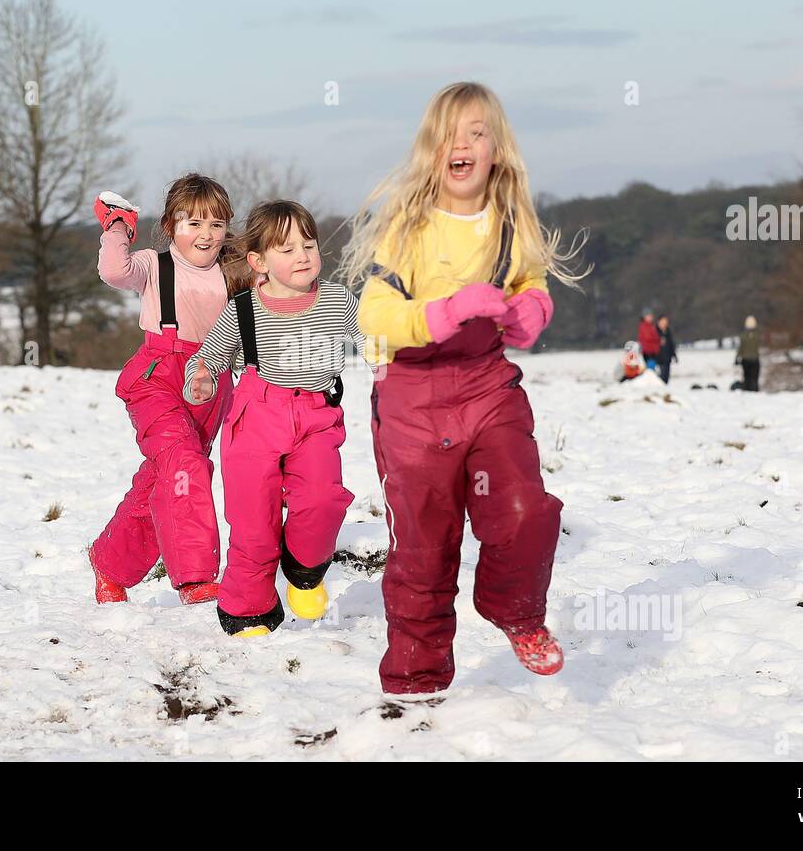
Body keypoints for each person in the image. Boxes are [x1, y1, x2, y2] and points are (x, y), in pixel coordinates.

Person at [339, 81, 579, 696]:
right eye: (451, 132)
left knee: (526, 508)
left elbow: (531, 282)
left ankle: (515, 610)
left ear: (497, 149)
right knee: (424, 552)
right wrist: (440, 313)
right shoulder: (406, 225)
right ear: (430, 146)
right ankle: (416, 685)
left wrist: (534, 311)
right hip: (410, 396)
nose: (463, 143)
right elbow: (372, 314)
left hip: (486, 386)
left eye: (477, 132)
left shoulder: (510, 222)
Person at [184, 200, 367, 637]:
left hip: (317, 415)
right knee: (253, 522)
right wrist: (203, 376)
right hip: (254, 416)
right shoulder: (243, 309)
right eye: (286, 249)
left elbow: (376, 344)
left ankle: (305, 569)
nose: (302, 255)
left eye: (308, 244)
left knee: (323, 499)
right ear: (259, 261)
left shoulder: (340, 301)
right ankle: (249, 609)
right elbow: (208, 355)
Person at [86, 175, 247, 606]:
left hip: (210, 385)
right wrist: (118, 227)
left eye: (216, 224)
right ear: (172, 224)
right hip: (158, 378)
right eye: (193, 223)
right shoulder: (154, 265)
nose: (205, 234)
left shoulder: (234, 273)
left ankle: (110, 564)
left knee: (167, 478)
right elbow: (113, 270)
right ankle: (196, 578)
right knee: (185, 463)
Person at [736, 315, 760, 392]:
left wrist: (737, 357)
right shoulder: (757, 335)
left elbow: (741, 348)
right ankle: (754, 391)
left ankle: (747, 390)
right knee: (754, 378)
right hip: (755, 359)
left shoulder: (743, 336)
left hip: (745, 359)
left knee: (747, 377)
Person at [656, 314, 678, 384]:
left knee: (666, 377)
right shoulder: (655, 331)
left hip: (667, 358)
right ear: (659, 322)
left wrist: (674, 355)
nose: (664, 323)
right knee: (661, 377)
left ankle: (664, 389)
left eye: (666, 322)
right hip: (659, 358)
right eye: (663, 322)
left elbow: (671, 345)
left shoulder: (668, 332)